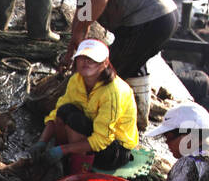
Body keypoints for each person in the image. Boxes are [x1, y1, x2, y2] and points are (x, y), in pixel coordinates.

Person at [36, 0, 180, 129]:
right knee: (131, 62)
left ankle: (102, 126)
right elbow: (84, 7)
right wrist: (73, 50)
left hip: (148, 20)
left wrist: (83, 29)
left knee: (107, 71)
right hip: (161, 17)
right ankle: (139, 118)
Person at [33, 38, 137, 174]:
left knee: (76, 121)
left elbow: (102, 139)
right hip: (91, 132)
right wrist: (42, 141)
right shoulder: (76, 80)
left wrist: (64, 149)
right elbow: (58, 112)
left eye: (93, 59)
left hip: (114, 150)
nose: (86, 62)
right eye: (82, 57)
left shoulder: (113, 92)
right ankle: (64, 157)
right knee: (65, 111)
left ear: (105, 63)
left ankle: (75, 168)